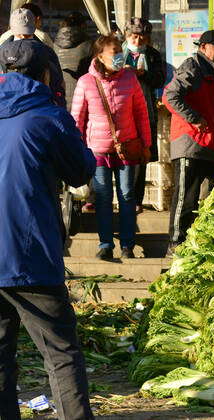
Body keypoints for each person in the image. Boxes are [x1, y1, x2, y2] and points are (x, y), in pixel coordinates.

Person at [0, 40, 96, 420]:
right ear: (45, 74)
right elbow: (81, 171)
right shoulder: (48, 116)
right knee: (60, 352)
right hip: (29, 254)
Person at [71, 34, 151, 260]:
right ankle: (105, 244)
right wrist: (76, 149)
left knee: (127, 196)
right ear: (100, 56)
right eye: (114, 51)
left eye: (119, 50)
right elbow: (77, 119)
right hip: (97, 149)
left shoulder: (130, 78)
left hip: (127, 147)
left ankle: (128, 245)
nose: (119, 54)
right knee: (103, 197)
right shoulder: (86, 82)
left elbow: (141, 113)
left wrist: (146, 143)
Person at [163, 30, 214, 255]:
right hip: (190, 144)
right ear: (203, 47)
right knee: (186, 197)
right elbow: (170, 95)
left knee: (212, 195)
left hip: (209, 146)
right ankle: (175, 243)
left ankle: (195, 241)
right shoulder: (192, 66)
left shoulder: (211, 71)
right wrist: (194, 118)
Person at [123, 17, 166, 213]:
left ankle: (136, 199)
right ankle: (121, 196)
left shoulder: (153, 55)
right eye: (134, 36)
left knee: (141, 153)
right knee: (120, 154)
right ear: (127, 35)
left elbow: (159, 79)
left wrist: (143, 75)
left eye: (142, 37)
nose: (138, 41)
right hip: (121, 110)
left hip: (144, 110)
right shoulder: (117, 52)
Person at [3, 8, 66, 107]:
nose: (23, 37)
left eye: (26, 34)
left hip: (6, 107)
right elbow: (57, 84)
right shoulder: (46, 51)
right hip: (39, 106)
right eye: (21, 33)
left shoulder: (2, 50)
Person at [54, 12, 92, 110]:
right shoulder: (89, 44)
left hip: (59, 96)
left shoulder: (54, 45)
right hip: (83, 97)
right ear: (82, 25)